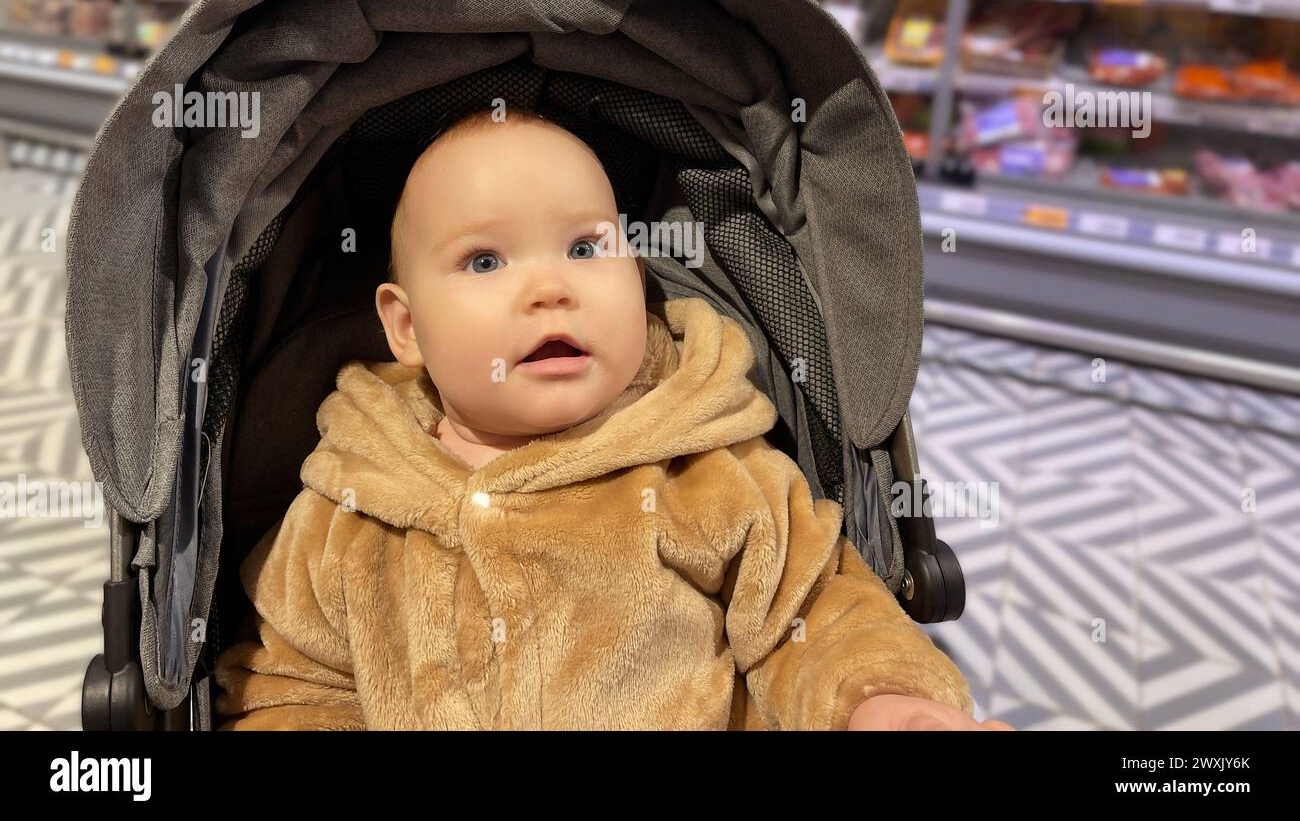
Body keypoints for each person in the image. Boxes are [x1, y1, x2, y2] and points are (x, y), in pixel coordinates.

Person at [212, 107, 1013, 731]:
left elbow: (813, 606)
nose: (551, 288)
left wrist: (875, 697)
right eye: (485, 260)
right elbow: (290, 680)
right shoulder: (348, 499)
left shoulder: (699, 467)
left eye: (587, 248)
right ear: (407, 326)